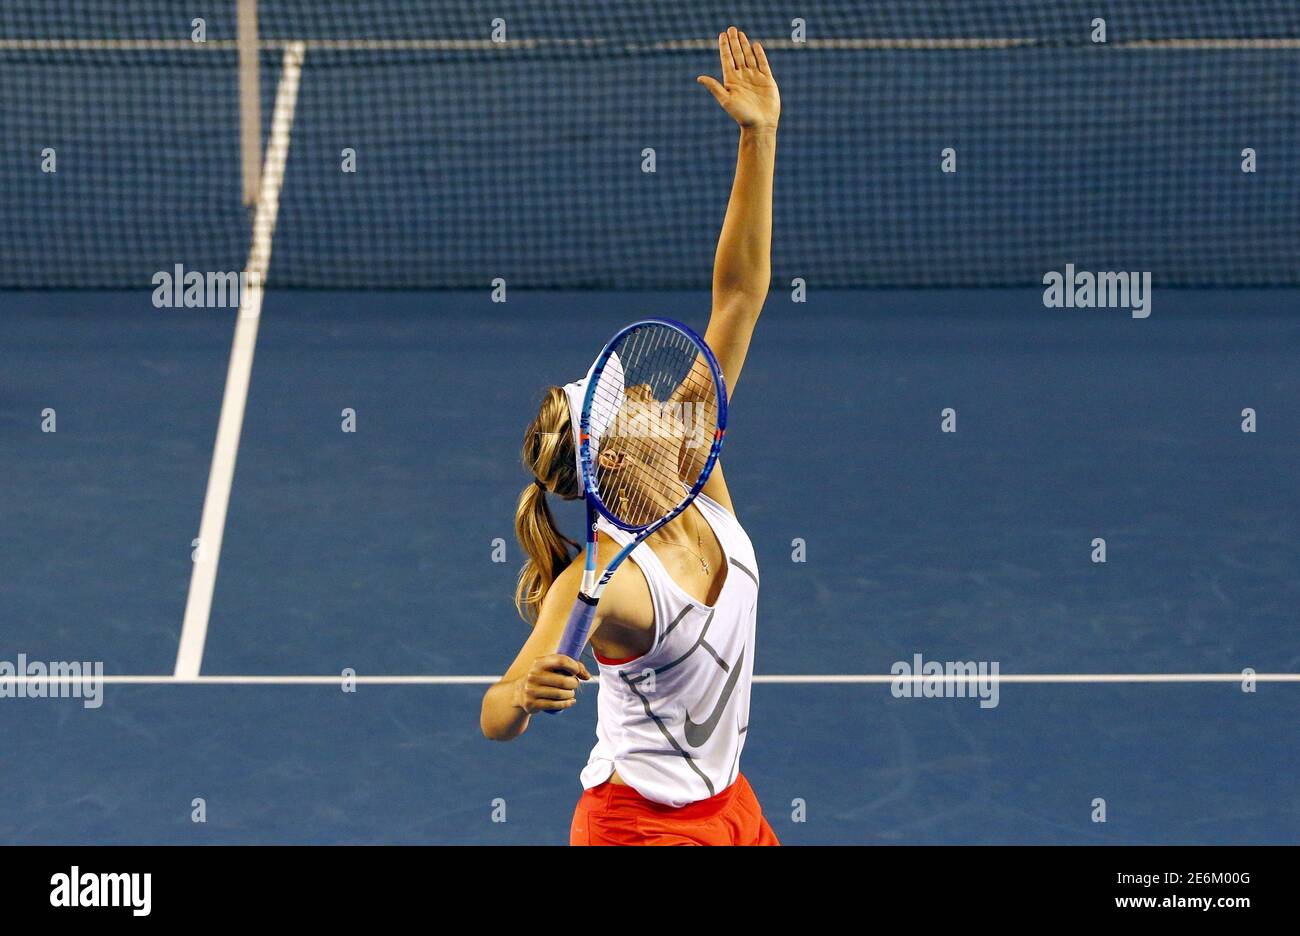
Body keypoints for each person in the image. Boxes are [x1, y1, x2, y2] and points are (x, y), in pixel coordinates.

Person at [480, 27, 780, 846]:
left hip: (731, 811)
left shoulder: (692, 463)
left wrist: (759, 136)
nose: (650, 391)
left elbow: (740, 296)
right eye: (630, 400)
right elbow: (495, 713)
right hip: (640, 833)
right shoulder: (605, 583)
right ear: (610, 457)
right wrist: (525, 692)